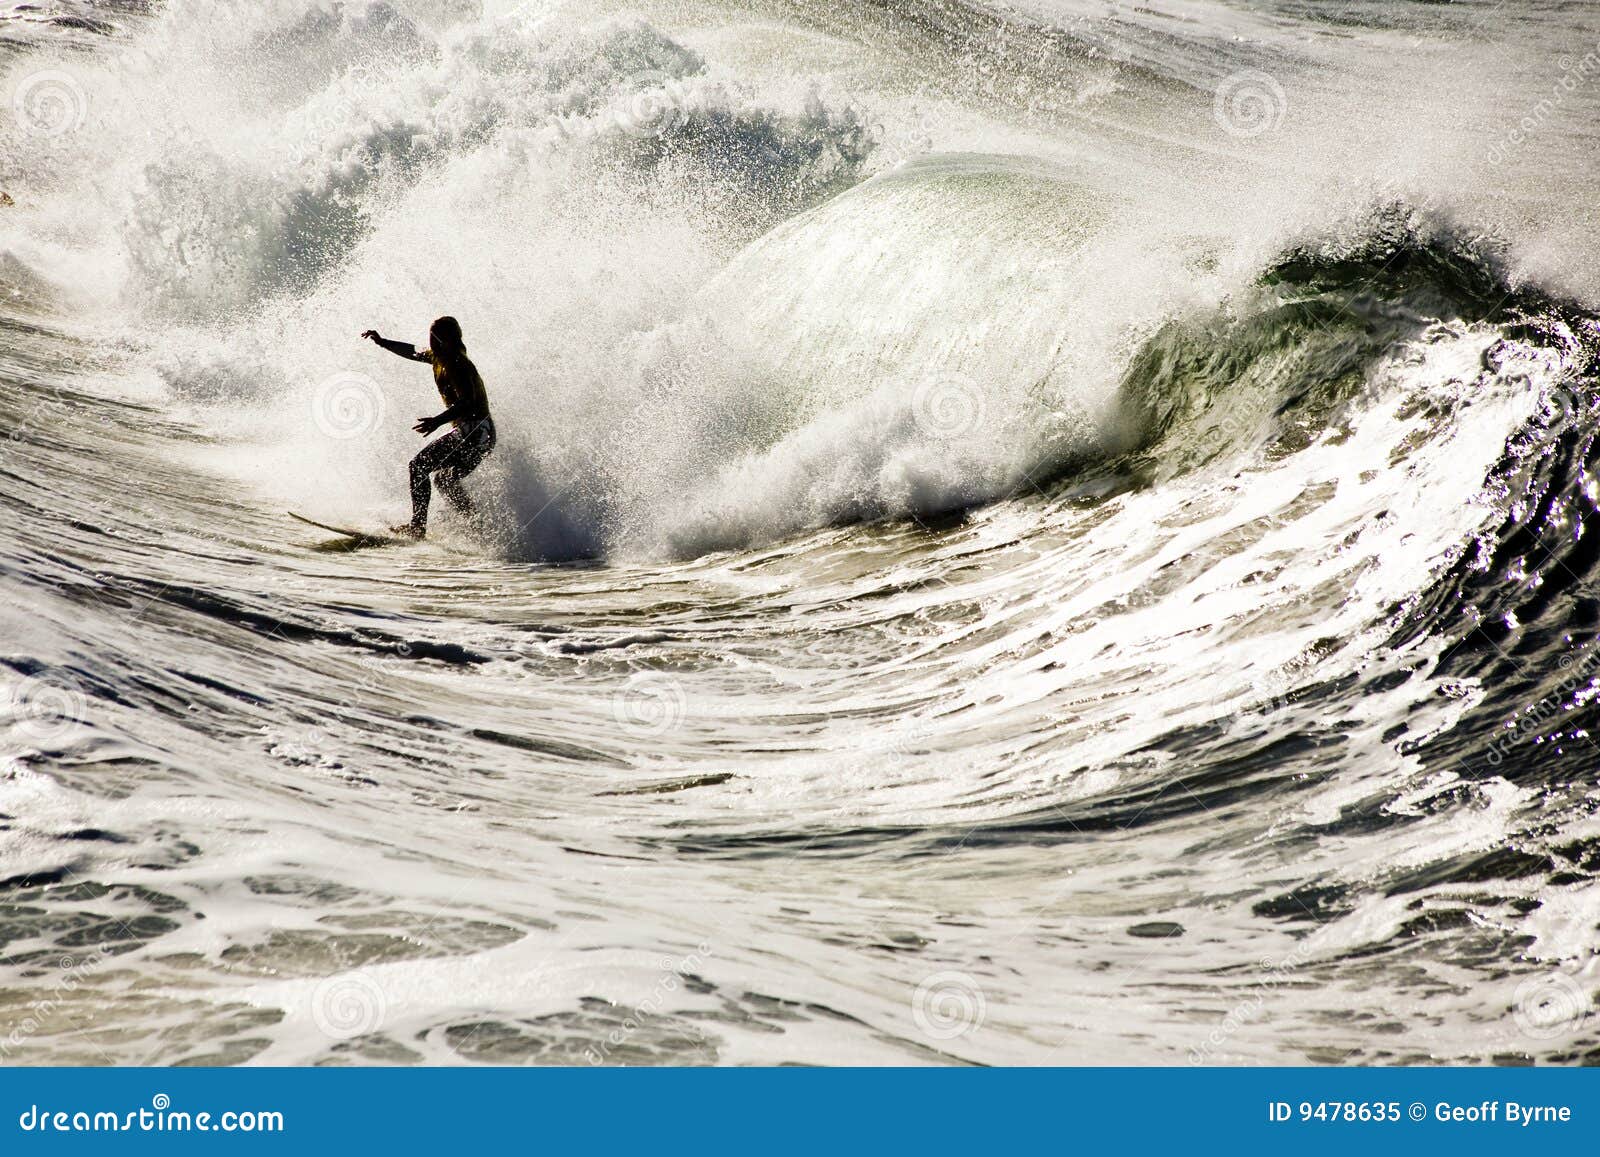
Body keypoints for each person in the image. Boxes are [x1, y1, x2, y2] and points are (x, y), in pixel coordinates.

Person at [361, 316, 496, 538]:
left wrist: (437, 421)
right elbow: (412, 350)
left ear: (445, 339)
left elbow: (468, 401)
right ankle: (478, 528)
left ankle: (417, 528)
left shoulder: (458, 364)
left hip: (476, 432)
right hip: (479, 434)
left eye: (434, 337)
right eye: (430, 336)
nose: (430, 341)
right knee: (444, 480)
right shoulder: (438, 356)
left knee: (419, 465)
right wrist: (383, 341)